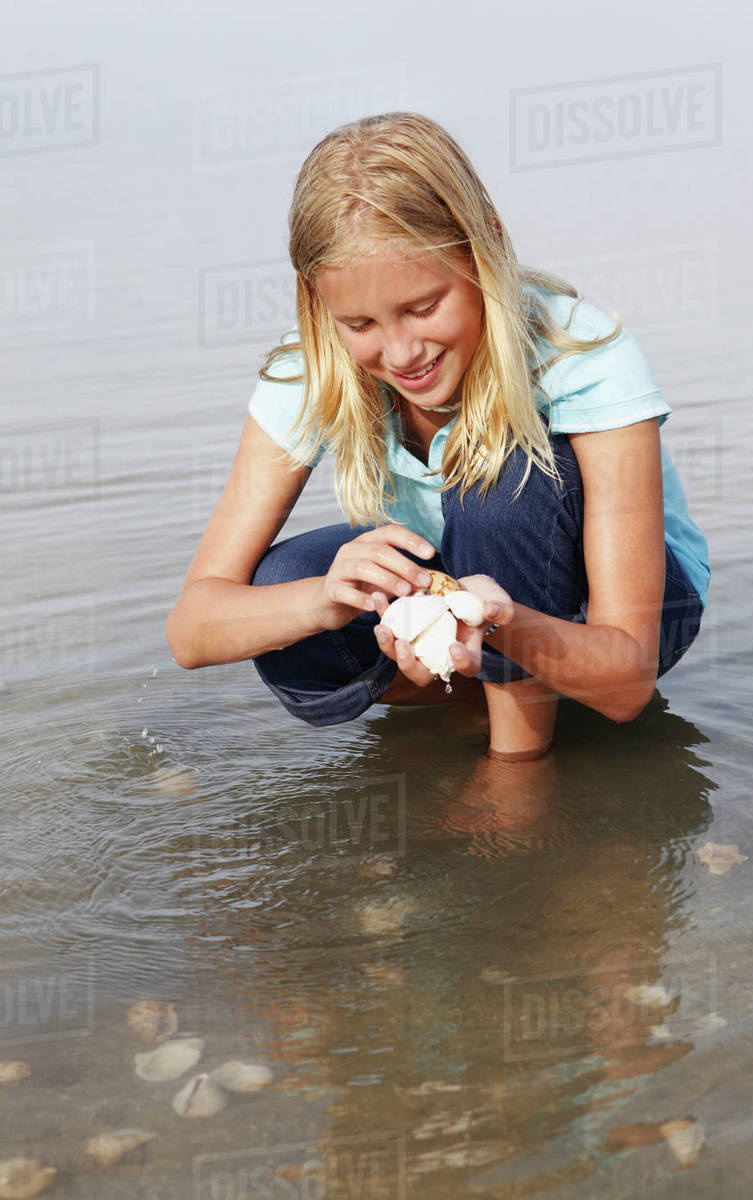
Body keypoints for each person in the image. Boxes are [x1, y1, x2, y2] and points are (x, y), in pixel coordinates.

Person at [166, 112, 709, 762]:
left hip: (611, 629)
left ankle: (518, 757)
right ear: (318, 303)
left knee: (502, 485)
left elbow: (626, 684)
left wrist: (499, 637)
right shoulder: (310, 370)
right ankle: (467, 695)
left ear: (488, 250)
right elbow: (191, 632)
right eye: (360, 321)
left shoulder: (582, 356)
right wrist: (326, 599)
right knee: (286, 578)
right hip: (470, 596)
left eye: (424, 308)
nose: (401, 354)